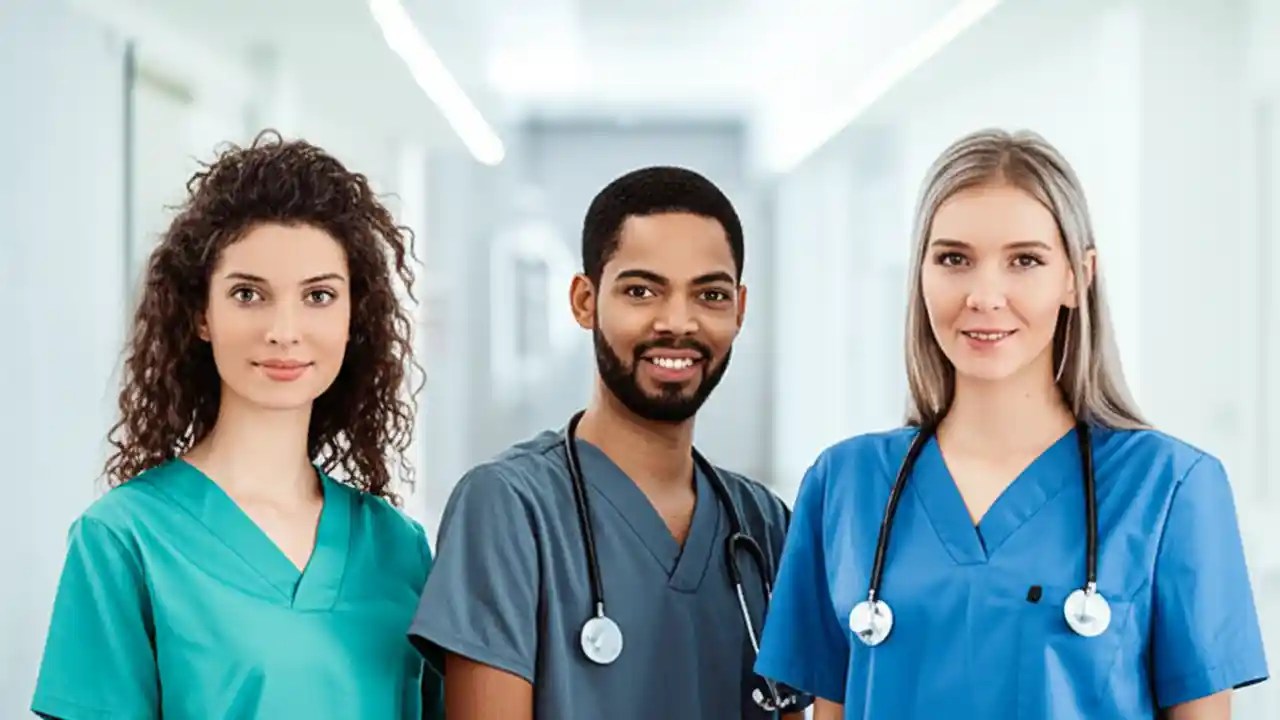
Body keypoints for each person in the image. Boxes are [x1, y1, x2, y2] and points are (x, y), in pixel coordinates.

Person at [752, 127, 1271, 719]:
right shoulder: (845, 483)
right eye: (954, 259)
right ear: (919, 274)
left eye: (1024, 261)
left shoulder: (1171, 488)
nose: (984, 294)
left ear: (1078, 276)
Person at [31, 131, 444, 720]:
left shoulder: (398, 547)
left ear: (355, 316)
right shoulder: (125, 539)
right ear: (202, 313)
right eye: (249, 294)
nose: (284, 329)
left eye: (319, 296)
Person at [408, 166, 810, 719]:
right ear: (583, 301)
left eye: (709, 294)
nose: (677, 322)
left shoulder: (763, 526)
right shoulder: (509, 509)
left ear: (739, 309)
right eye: (641, 291)